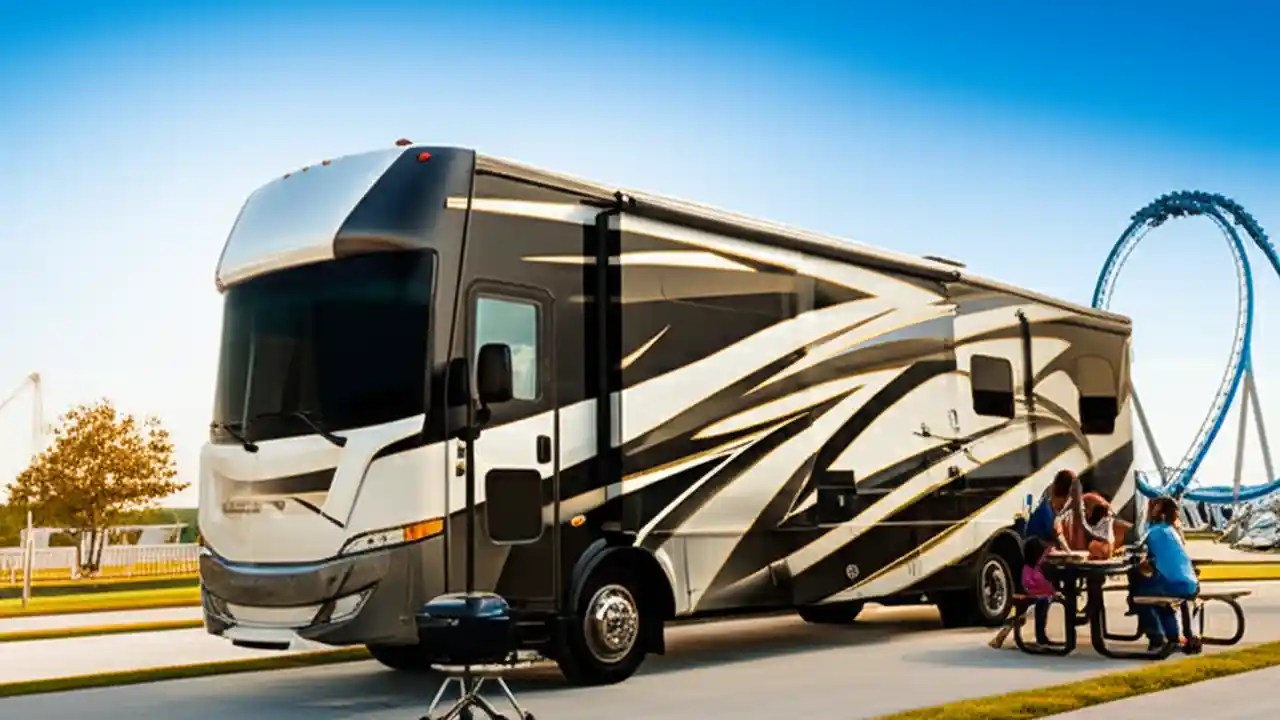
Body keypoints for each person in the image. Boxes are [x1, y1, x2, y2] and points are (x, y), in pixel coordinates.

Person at [1130, 495, 1200, 652]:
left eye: (1153, 508)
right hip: (1191, 584)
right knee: (1157, 595)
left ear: (1160, 514)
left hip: (1175, 585)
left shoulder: (1154, 532)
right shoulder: (1173, 531)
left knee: (1140, 595)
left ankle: (1156, 638)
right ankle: (1173, 637)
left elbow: (1137, 550)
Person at [1020, 536, 1058, 646]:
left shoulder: (1032, 567)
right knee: (1043, 604)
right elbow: (1041, 585)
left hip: (1038, 593)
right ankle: (1041, 637)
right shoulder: (1032, 571)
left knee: (1044, 603)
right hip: (1035, 594)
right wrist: (1053, 591)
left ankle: (1041, 636)